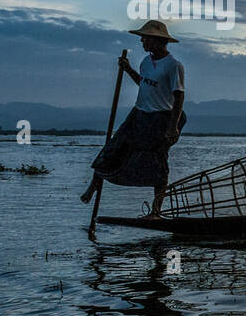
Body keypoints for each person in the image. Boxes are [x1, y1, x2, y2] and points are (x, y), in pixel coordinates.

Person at [80, 20, 187, 216]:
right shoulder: (146, 62)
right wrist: (128, 69)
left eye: (145, 38)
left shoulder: (174, 66)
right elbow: (144, 83)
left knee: (158, 162)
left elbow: (179, 96)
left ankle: (156, 211)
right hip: (138, 114)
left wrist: (173, 127)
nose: (142, 42)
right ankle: (93, 187)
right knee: (112, 148)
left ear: (157, 40)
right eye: (142, 38)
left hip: (161, 118)